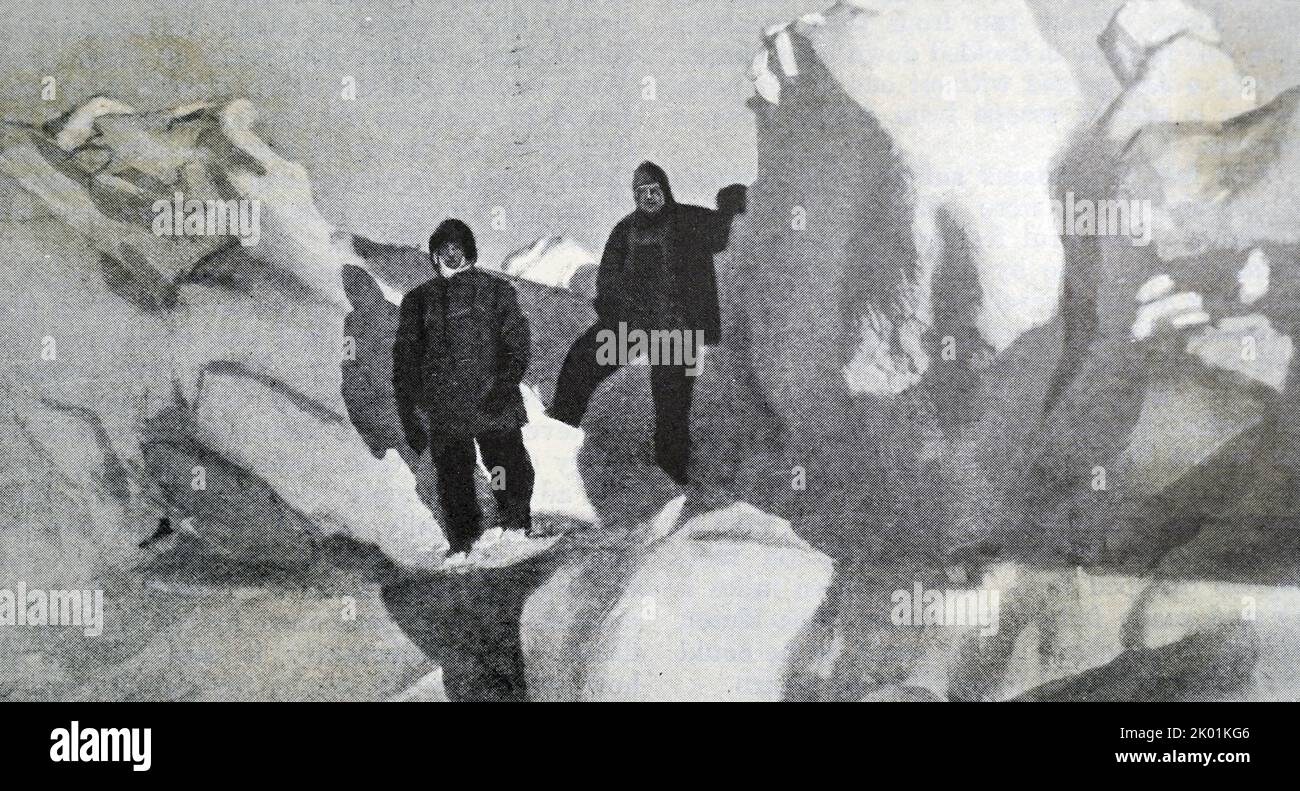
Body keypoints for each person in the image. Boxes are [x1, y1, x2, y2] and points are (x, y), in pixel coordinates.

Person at [548, 161, 730, 485]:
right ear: (634, 196)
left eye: (655, 190)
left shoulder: (689, 221)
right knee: (580, 362)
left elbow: (731, 228)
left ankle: (672, 479)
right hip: (631, 325)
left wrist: (739, 204)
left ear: (666, 191)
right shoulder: (625, 231)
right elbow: (608, 279)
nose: (649, 197)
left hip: (676, 328)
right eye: (642, 192)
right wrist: (616, 314)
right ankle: (554, 439)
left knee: (672, 405)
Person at [393, 218, 535, 554]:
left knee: (504, 467)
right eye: (443, 249)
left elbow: (517, 343)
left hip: (493, 402)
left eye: (457, 247)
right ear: (434, 255)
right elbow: (406, 361)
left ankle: (515, 527)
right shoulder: (419, 301)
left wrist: (504, 386)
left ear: (469, 250)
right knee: (454, 478)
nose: (450, 255)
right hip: (445, 408)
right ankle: (464, 543)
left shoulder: (497, 291)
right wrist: (409, 414)